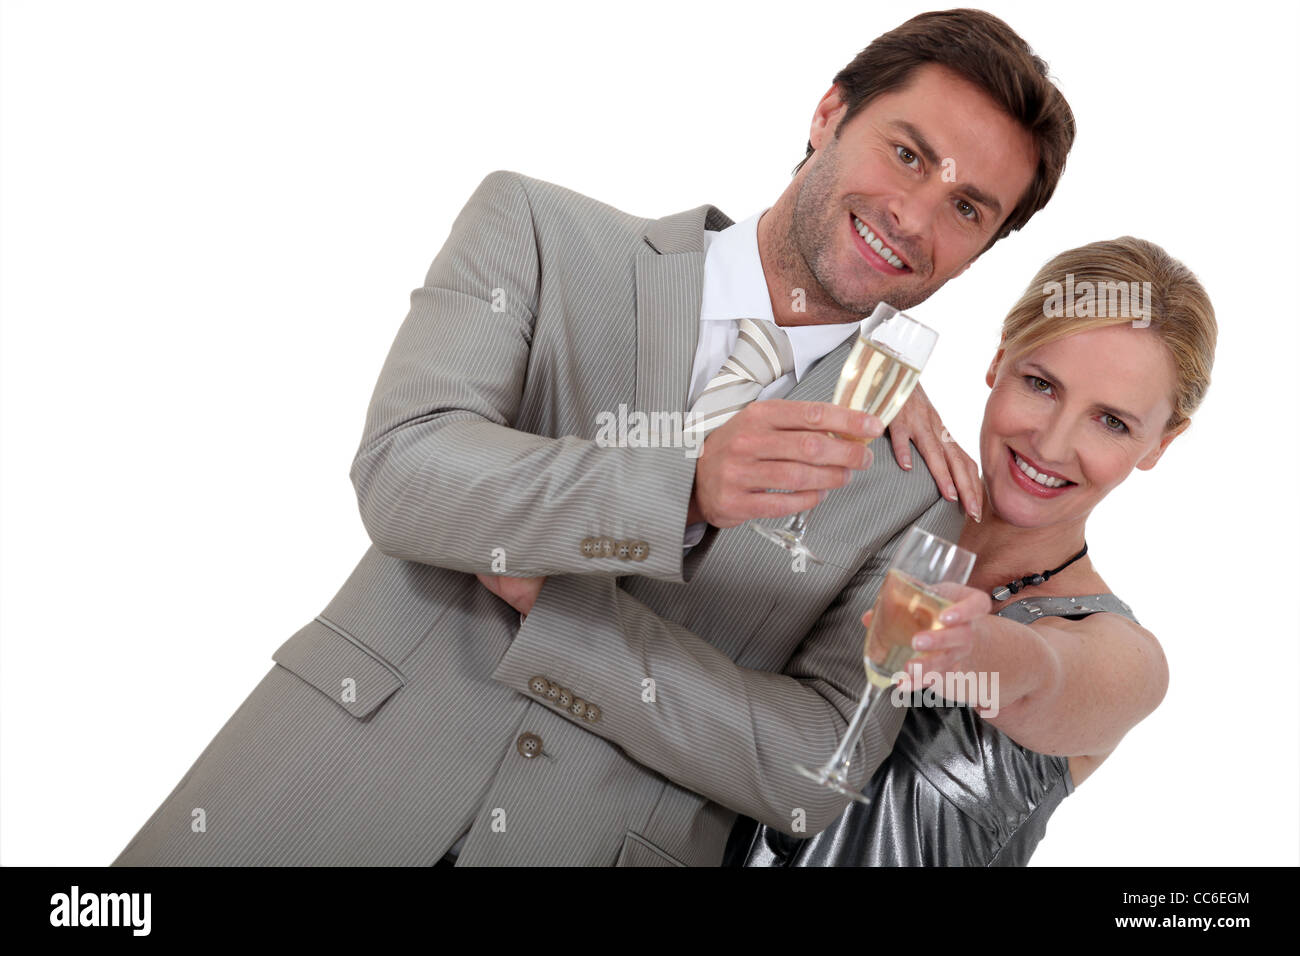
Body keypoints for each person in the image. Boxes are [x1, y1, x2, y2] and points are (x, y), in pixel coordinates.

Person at [110, 9, 1075, 867]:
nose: (915, 215)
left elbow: (814, 768)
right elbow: (405, 473)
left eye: (968, 209)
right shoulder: (539, 234)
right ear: (827, 114)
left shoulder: (919, 488)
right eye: (907, 153)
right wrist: (681, 489)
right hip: (305, 807)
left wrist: (567, 620)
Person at [726, 236, 1217, 866]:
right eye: (1040, 384)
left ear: (1161, 444)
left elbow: (1044, 674)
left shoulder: (1127, 658)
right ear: (998, 361)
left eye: (1112, 422)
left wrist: (973, 647)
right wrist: (853, 381)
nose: (1052, 442)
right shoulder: (875, 495)